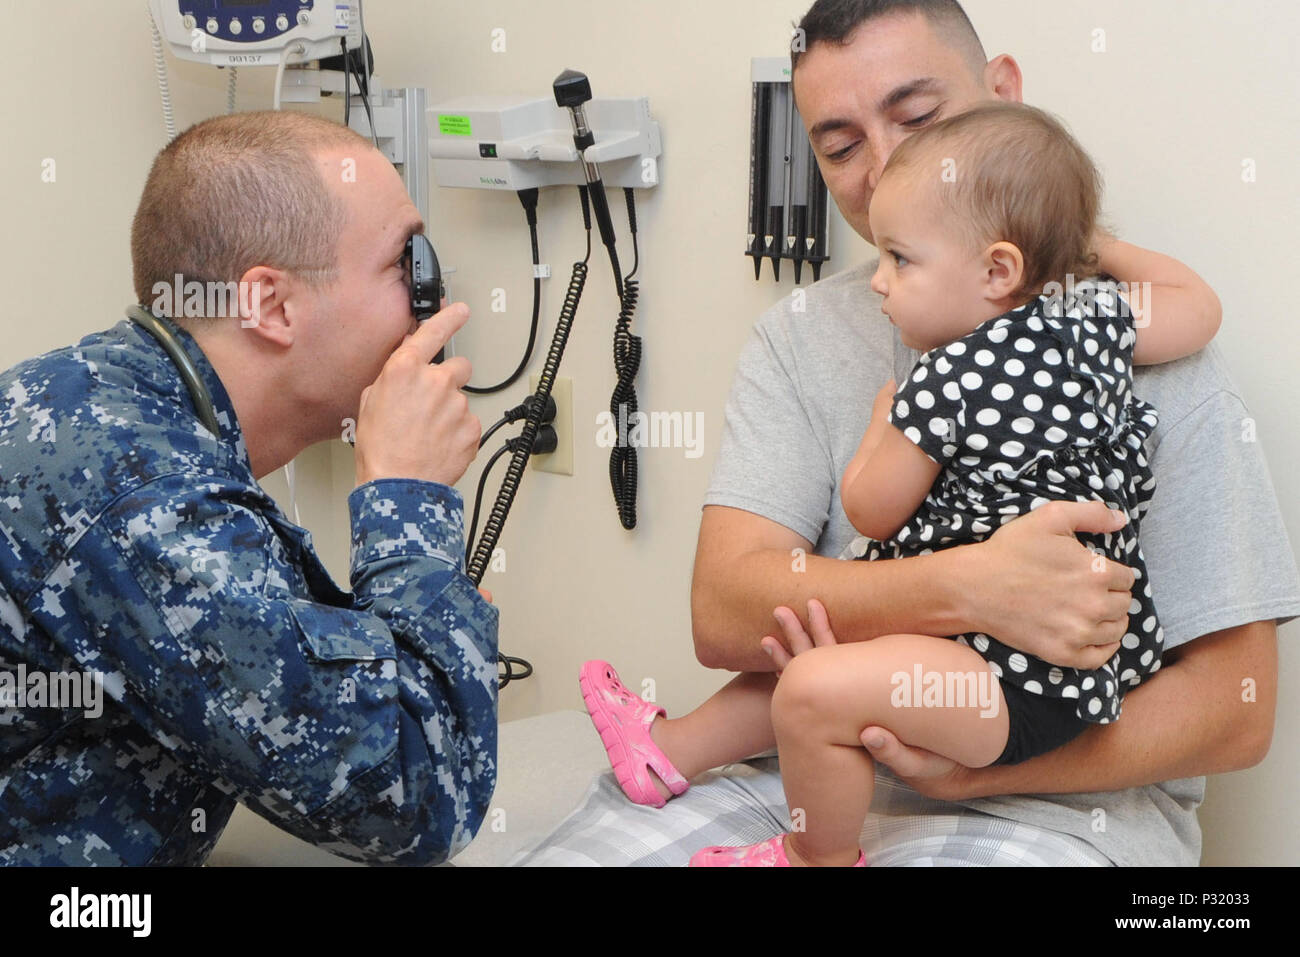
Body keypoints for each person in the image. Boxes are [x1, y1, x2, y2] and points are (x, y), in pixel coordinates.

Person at [518, 0, 1299, 867]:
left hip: (1061, 810)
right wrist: (971, 587)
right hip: (804, 770)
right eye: (841, 145)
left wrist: (966, 774)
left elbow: (1240, 704)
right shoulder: (807, 334)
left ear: (1005, 95)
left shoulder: (1141, 360)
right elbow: (725, 612)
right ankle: (679, 757)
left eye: (921, 119)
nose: (889, 165)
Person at [0, 110, 498, 866]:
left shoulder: (117, 404)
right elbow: (419, 799)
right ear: (269, 305)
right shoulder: (144, 493)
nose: (428, 303)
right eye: (406, 264)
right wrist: (405, 499)